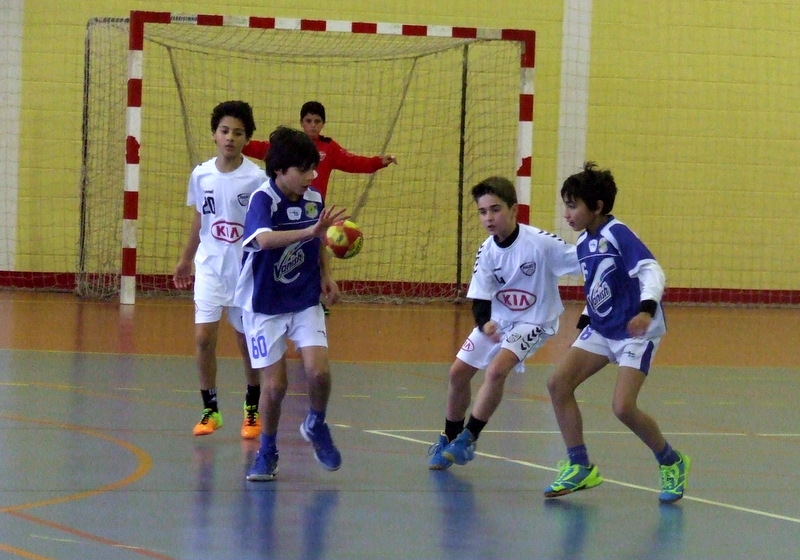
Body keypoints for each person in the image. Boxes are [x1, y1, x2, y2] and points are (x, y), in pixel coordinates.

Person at [543, 161, 690, 503]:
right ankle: (580, 466)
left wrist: (646, 309)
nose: (567, 213)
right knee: (557, 383)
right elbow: (597, 287)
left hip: (636, 330)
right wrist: (582, 324)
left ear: (596, 207)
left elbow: (652, 270)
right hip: (602, 329)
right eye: (566, 204)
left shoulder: (618, 233)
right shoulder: (583, 244)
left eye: (572, 205)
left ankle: (672, 461)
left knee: (623, 407)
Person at [427, 176, 581, 471]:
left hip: (534, 320)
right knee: (458, 372)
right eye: (483, 212)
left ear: (514, 210)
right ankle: (449, 436)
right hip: (498, 320)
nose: (489, 218)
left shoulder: (540, 243)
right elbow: (480, 296)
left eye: (495, 210)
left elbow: (581, 259)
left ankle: (469, 438)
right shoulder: (487, 250)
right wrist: (484, 324)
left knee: (497, 370)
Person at [235, 125, 348, 481]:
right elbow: (264, 239)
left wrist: (326, 275)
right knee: (276, 385)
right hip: (264, 303)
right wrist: (310, 232)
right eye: (304, 169)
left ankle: (316, 423)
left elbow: (316, 244)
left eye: (314, 168)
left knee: (319, 371)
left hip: (303, 296)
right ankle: (267, 450)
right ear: (280, 170)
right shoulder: (263, 199)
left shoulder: (313, 198)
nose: (311, 176)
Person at [173, 100, 265, 439]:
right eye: (225, 130)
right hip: (210, 267)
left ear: (246, 138)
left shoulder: (257, 178)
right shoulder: (201, 174)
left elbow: (263, 227)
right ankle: (210, 409)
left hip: (244, 272)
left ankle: (252, 408)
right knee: (203, 339)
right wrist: (186, 258)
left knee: (246, 342)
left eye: (238, 133)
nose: (230, 137)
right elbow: (200, 218)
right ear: (214, 134)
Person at [241, 100, 397, 199]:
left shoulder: (329, 148)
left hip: (313, 207)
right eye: (308, 121)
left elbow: (353, 162)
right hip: (284, 202)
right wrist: (241, 143)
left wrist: (378, 162)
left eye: (317, 121)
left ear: (323, 124)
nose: (313, 125)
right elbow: (261, 148)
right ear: (301, 122)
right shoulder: (288, 144)